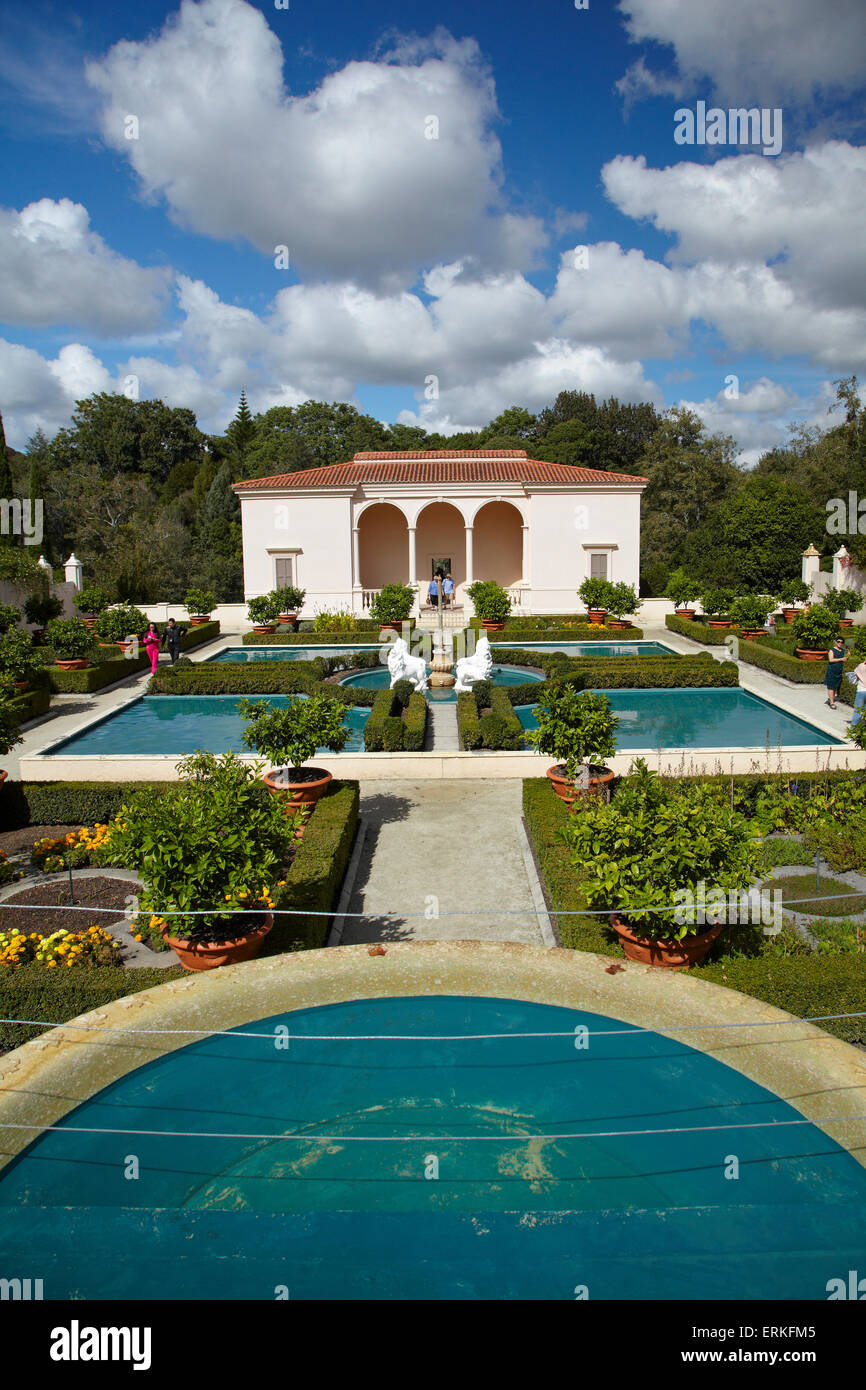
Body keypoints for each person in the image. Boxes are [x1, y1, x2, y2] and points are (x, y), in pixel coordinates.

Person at [824, 636, 846, 709]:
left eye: (841, 642)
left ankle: (832, 699)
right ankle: (832, 702)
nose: (840, 643)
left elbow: (845, 659)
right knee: (831, 687)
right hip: (832, 671)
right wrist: (841, 659)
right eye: (838, 641)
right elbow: (831, 660)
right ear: (836, 642)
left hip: (839, 671)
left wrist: (848, 655)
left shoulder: (842, 651)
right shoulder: (832, 650)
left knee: (835, 687)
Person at [851, 655, 866, 724]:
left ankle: (854, 728)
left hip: (861, 690)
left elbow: (855, 672)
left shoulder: (861, 666)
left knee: (857, 710)